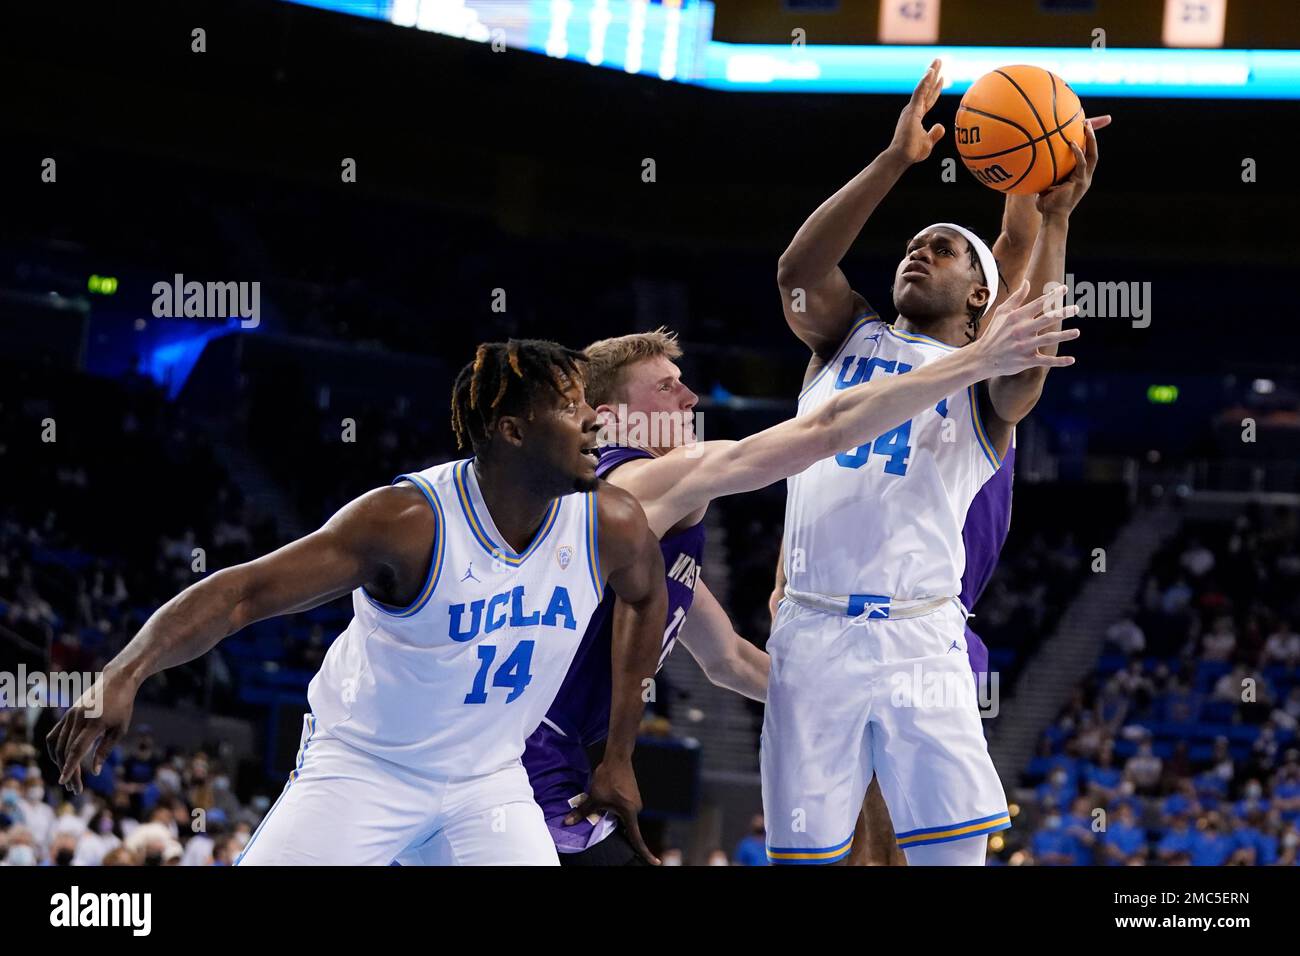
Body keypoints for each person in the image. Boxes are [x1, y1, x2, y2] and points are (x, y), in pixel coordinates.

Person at [48, 339, 669, 866]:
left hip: (489, 781)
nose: (595, 419)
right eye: (569, 407)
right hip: (366, 767)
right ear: (511, 431)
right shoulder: (407, 522)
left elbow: (646, 600)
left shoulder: (610, 523)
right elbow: (243, 594)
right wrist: (123, 673)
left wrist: (618, 754)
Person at [518, 282, 1079, 864]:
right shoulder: (633, 484)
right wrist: (978, 360)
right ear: (613, 416)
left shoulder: (644, 532)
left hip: (557, 751)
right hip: (526, 748)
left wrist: (849, 695)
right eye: (666, 387)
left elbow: (727, 659)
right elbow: (821, 430)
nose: (689, 398)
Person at [763, 58, 1101, 865]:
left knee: (948, 857)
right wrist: (894, 160)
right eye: (913, 244)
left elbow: (1025, 333)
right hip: (810, 628)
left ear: (982, 297)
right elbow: (798, 274)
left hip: (919, 634)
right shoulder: (848, 339)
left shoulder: (988, 372)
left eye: (943, 248)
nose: (918, 252)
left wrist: (1052, 219)